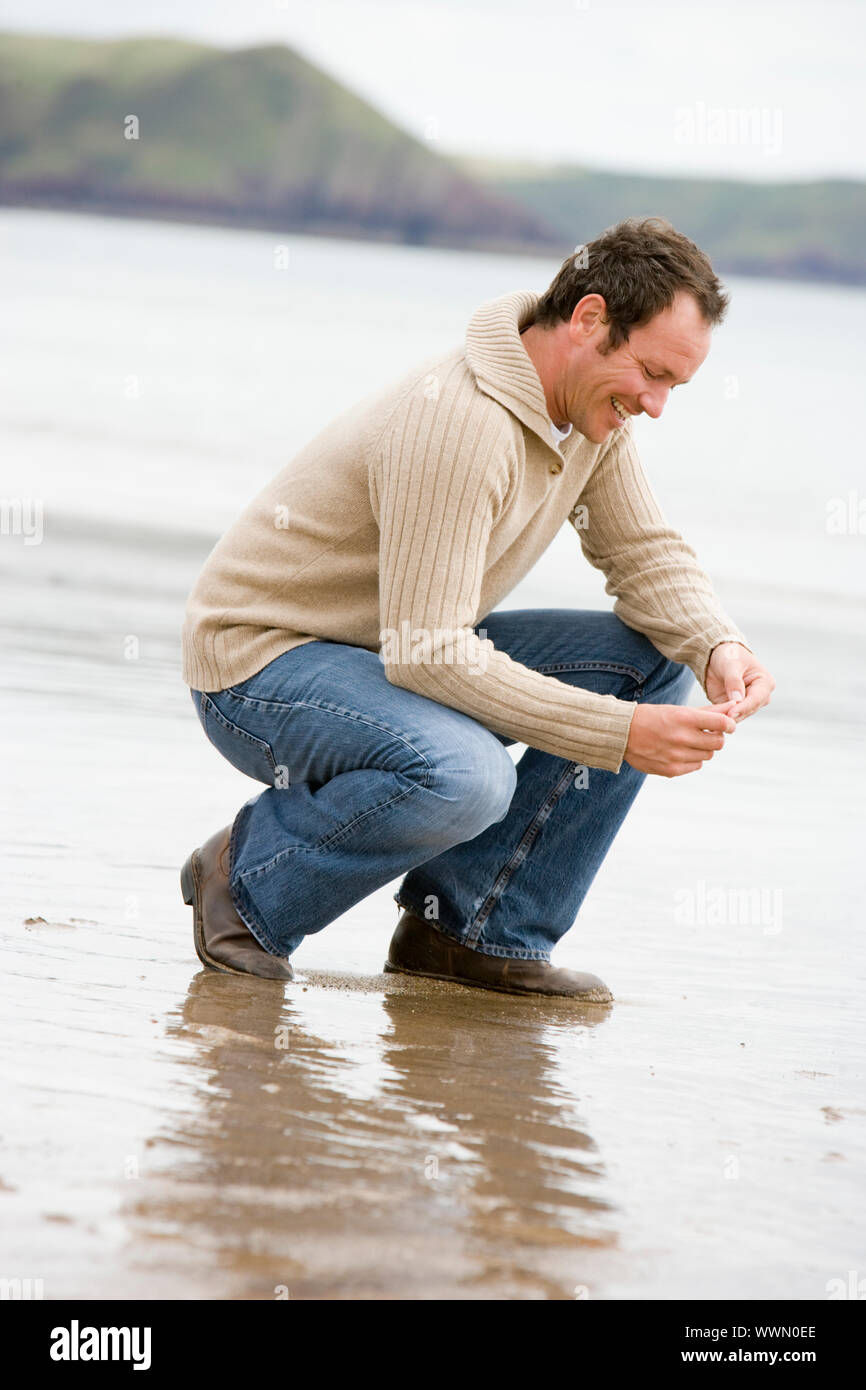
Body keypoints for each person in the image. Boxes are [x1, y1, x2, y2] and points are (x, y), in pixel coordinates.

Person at [179, 216, 775, 999]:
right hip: (260, 667)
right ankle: (250, 878)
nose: (656, 405)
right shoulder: (461, 421)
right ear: (590, 319)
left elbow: (642, 554)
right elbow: (428, 652)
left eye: (674, 386)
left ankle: (472, 931)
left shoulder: (590, 414)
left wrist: (718, 646)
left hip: (383, 654)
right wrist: (619, 735)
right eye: (652, 374)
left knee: (652, 663)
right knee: (469, 778)